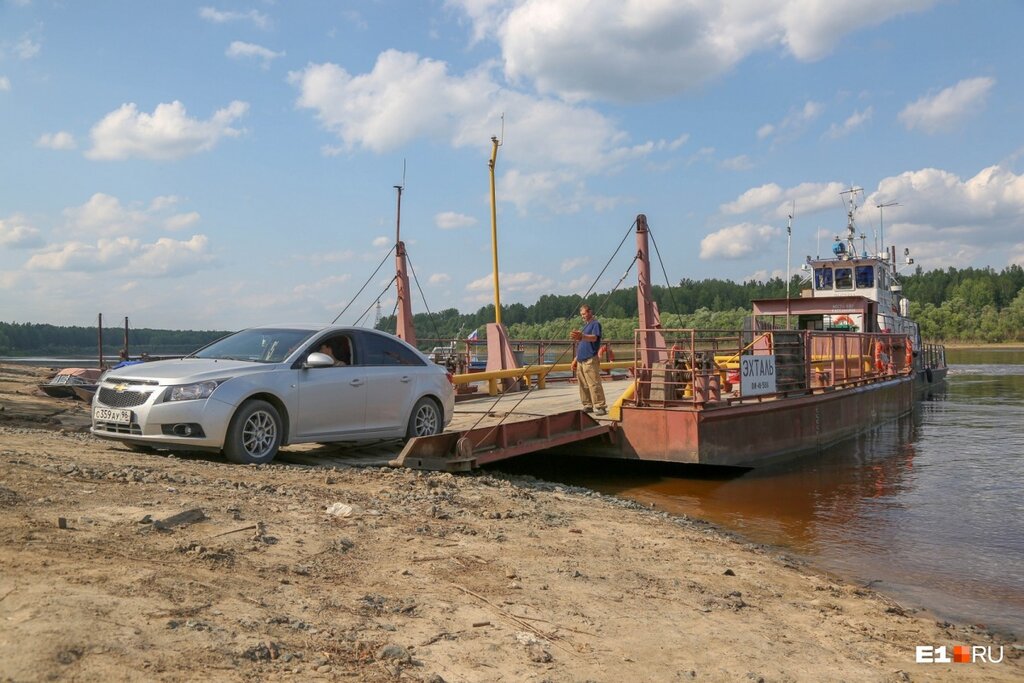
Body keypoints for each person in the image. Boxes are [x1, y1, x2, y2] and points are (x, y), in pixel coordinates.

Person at [570, 304, 606, 415]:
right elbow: (582, 344)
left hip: (590, 359)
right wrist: (575, 359)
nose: (583, 316)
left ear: (590, 312)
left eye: (584, 314)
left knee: (594, 383)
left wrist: (582, 336)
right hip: (581, 360)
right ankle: (587, 405)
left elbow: (594, 337)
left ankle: (600, 406)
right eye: (581, 315)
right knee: (583, 384)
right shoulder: (585, 327)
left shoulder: (595, 324)